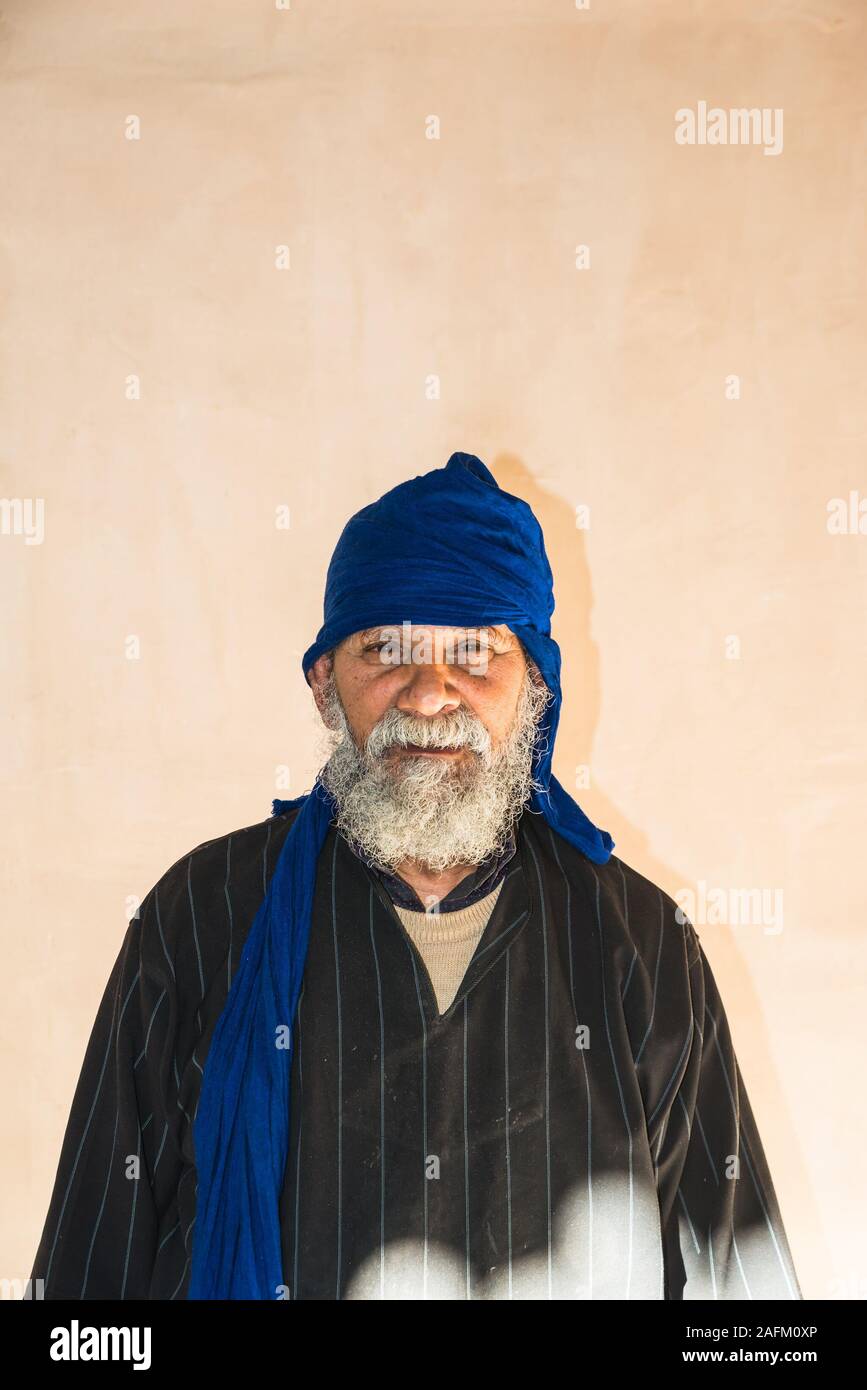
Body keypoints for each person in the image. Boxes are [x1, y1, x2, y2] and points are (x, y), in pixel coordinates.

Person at [30, 451, 803, 1300]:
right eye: (386, 650)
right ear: (325, 683)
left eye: (475, 653)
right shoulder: (204, 913)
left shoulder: (642, 942)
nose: (431, 696)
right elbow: (88, 1277)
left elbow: (743, 1296)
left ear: (533, 686)